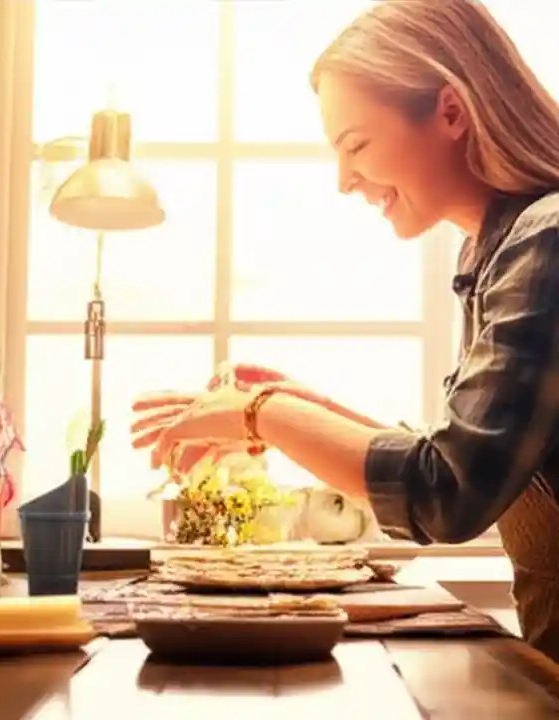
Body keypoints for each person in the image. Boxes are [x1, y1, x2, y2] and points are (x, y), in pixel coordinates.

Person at [130, 0, 559, 660]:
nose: (343, 180)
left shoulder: (546, 241)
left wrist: (261, 414)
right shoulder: (498, 253)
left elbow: (444, 494)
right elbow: (470, 457)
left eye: (355, 144)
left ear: (450, 111)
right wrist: (303, 408)